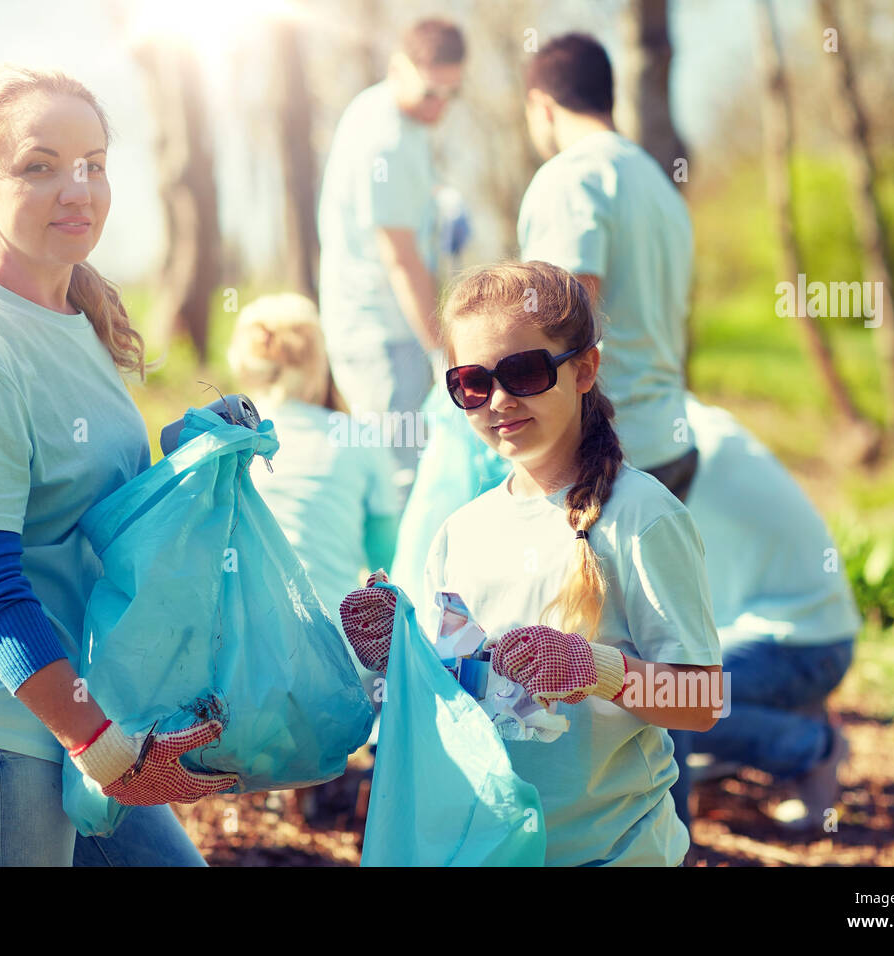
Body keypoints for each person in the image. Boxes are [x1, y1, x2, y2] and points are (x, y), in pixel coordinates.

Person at [0, 65, 236, 866]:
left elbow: (81, 503)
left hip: (74, 716)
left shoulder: (70, 312)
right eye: (39, 165)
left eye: (93, 163)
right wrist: (104, 749)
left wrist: (196, 452)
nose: (79, 188)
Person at [341, 261, 722, 866]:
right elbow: (456, 697)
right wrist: (395, 654)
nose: (498, 400)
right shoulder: (460, 533)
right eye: (471, 382)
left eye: (523, 371)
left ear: (585, 369)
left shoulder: (642, 516)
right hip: (494, 851)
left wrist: (594, 669)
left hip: (617, 852)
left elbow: (703, 700)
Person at [518, 33, 699, 500]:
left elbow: (559, 325)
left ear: (541, 105)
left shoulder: (570, 178)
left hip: (607, 461)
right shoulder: (657, 183)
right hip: (670, 442)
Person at [668, 395, 860, 835]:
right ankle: (779, 722)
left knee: (669, 700)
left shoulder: (670, 455)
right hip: (812, 628)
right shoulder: (689, 420)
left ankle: (812, 747)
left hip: (800, 643)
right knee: (672, 693)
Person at [317, 17, 465, 507]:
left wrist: (438, 201)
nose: (440, 107)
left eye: (452, 94)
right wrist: (445, 352)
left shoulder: (391, 112)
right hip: (381, 334)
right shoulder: (389, 139)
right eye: (430, 93)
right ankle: (388, 585)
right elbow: (399, 258)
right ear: (398, 66)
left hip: (389, 327)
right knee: (399, 483)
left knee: (407, 469)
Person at [225, 292, 401, 685]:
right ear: (319, 360)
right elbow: (386, 563)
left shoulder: (230, 442)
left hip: (241, 656)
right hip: (338, 654)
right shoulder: (357, 438)